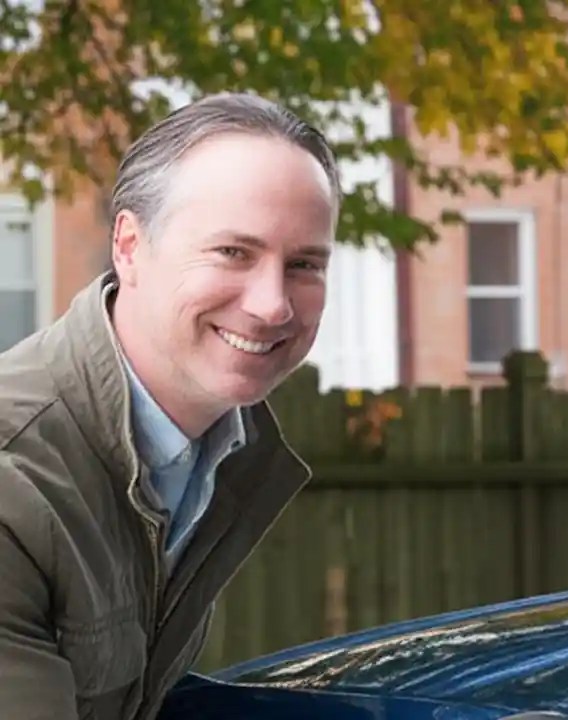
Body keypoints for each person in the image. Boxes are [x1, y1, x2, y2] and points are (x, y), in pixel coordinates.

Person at [0, 93, 339, 719]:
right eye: (233, 252)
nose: (273, 305)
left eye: (303, 264)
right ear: (129, 247)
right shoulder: (15, 480)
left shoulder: (219, 453)